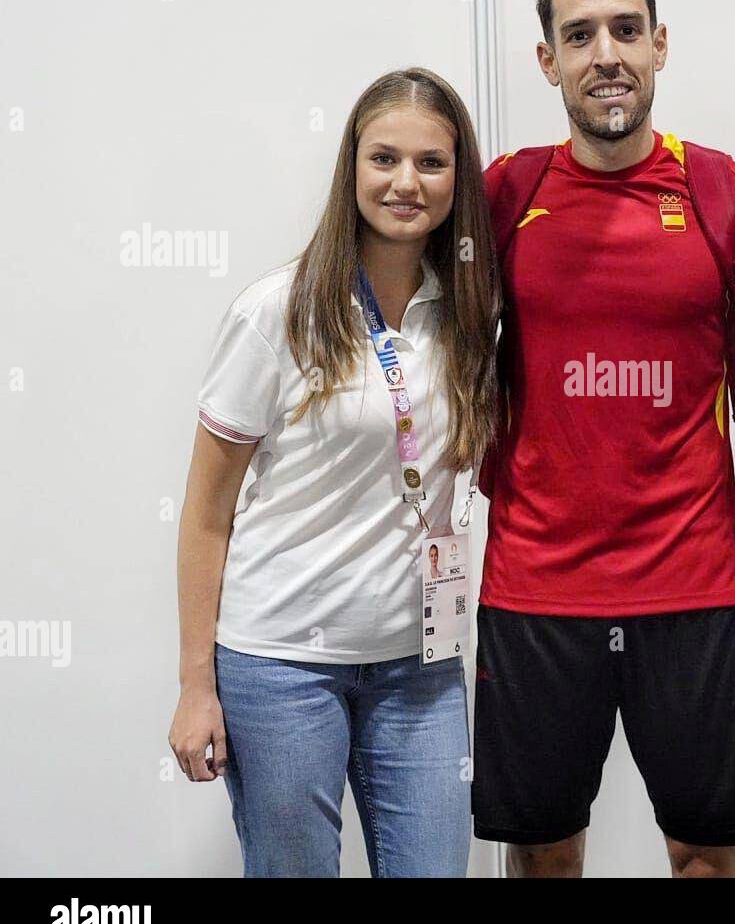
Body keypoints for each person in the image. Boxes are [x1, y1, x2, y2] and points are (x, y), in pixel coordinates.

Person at [471, 0, 735, 878]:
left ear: (658, 45)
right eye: (579, 35)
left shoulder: (730, 193)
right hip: (535, 586)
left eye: (624, 30)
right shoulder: (506, 192)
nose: (605, 53)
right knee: (545, 855)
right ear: (546, 60)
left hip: (694, 585)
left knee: (706, 855)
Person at [168, 67, 499, 877]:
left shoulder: (469, 313)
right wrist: (193, 685)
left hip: (420, 671)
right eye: (384, 158)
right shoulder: (278, 311)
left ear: (458, 178)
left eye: (431, 162)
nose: (405, 183)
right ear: (351, 167)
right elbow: (207, 513)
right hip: (281, 667)